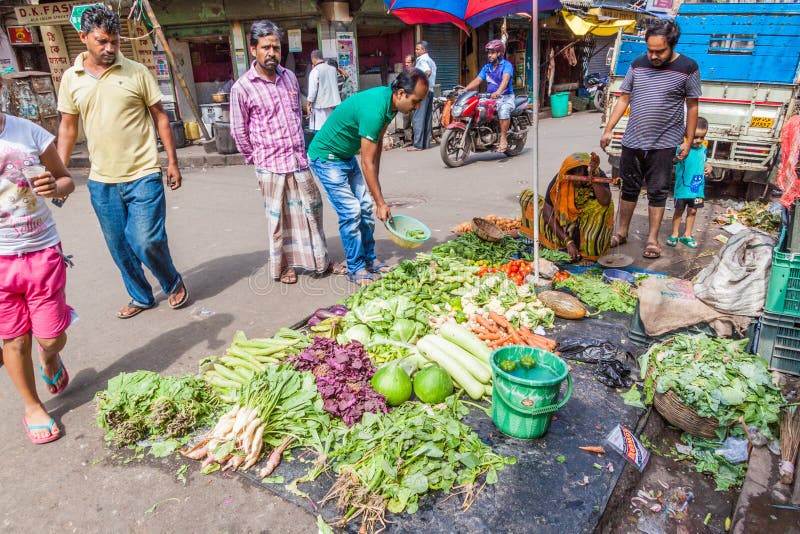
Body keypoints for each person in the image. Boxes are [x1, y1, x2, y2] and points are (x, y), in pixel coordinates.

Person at [57, 6, 188, 318]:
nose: (110, 48)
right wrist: (59, 174)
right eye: (102, 41)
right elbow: (67, 127)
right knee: (118, 245)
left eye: (114, 41)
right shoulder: (71, 79)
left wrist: (172, 161)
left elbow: (161, 117)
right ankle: (141, 296)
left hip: (143, 172)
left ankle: (171, 281)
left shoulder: (137, 72)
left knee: (145, 239)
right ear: (83, 38)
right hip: (102, 180)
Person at [307, 69, 429, 286]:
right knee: (352, 212)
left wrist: (376, 190)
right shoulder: (375, 108)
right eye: (416, 101)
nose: (417, 107)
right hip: (326, 158)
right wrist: (380, 202)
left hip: (345, 156)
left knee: (365, 207)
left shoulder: (390, 105)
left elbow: (377, 146)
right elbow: (366, 162)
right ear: (401, 93)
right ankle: (355, 267)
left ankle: (370, 259)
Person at [230, 20, 329, 285]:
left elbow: (296, 115)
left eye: (276, 47)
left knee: (311, 211)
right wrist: (257, 158)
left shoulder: (288, 77)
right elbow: (239, 131)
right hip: (270, 165)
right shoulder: (242, 87)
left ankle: (318, 259)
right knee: (279, 222)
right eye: (266, 47)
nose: (272, 52)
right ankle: (285, 267)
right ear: (253, 50)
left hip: (298, 160)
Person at [0, 110, 75, 444]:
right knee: (14, 339)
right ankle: (32, 406)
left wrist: (52, 187)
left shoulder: (28, 132)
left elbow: (66, 180)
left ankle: (50, 358)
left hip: (41, 251)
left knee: (51, 337)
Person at [600, 18, 701, 260]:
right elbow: (624, 98)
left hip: (664, 143)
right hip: (633, 140)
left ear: (672, 45)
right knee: (629, 188)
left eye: (660, 51)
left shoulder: (688, 68)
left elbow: (693, 106)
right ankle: (621, 231)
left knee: (657, 192)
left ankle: (653, 239)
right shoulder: (637, 64)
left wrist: (687, 141)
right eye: (650, 50)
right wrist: (608, 128)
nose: (653, 56)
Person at [519, 153, 614, 262]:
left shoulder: (597, 174)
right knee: (527, 197)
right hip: (566, 225)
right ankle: (563, 244)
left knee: (602, 208)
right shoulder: (561, 179)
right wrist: (567, 241)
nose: (577, 181)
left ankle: (588, 254)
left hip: (588, 226)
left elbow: (605, 201)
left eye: (581, 175)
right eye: (574, 176)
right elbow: (547, 212)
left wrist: (592, 177)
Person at [463, 39, 514, 153]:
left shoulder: (507, 65)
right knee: (476, 108)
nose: (489, 55)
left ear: (499, 53)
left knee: (504, 110)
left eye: (492, 52)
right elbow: (478, 80)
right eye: (489, 52)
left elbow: (505, 80)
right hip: (490, 97)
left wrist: (498, 92)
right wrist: (465, 89)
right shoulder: (487, 67)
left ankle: (503, 138)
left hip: (506, 97)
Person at [668, 117, 712, 250]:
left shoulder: (703, 149)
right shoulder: (681, 148)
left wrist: (709, 166)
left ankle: (687, 235)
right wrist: (677, 157)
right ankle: (674, 234)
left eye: (702, 137)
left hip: (697, 189)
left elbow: (705, 161)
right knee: (679, 211)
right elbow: (674, 161)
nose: (698, 141)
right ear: (687, 135)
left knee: (692, 211)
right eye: (695, 137)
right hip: (682, 190)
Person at [408, 41, 436, 151]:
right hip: (430, 91)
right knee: (427, 118)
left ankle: (418, 145)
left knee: (418, 117)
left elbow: (427, 72)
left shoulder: (422, 60)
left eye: (418, 49)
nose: (416, 51)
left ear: (424, 50)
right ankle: (425, 143)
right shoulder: (431, 60)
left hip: (423, 92)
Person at [306, 49, 341, 132]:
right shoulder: (332, 69)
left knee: (320, 132)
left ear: (313, 59)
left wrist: (308, 104)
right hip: (333, 106)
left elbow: (312, 91)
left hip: (320, 108)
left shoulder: (315, 71)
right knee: (331, 130)